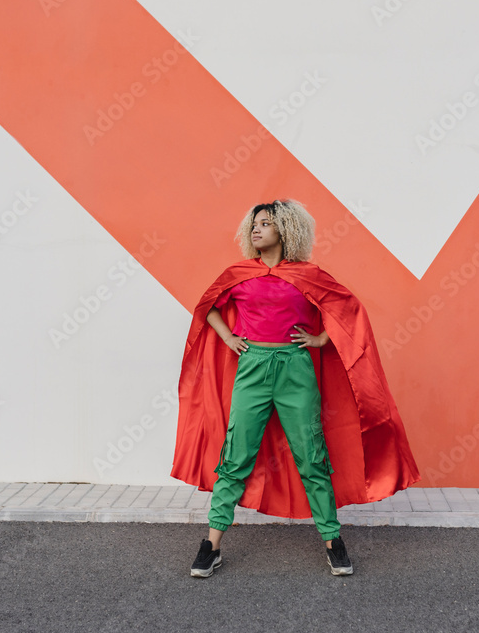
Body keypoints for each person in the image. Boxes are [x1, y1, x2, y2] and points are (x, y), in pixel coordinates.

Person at [171, 199, 420, 578]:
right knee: (236, 456)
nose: (257, 230)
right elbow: (207, 306)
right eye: (254, 224)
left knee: (312, 456)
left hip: (295, 369)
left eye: (266, 224)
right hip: (252, 368)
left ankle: (333, 541)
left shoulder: (308, 274)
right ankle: (212, 545)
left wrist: (321, 339)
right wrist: (228, 337)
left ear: (285, 231)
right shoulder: (238, 273)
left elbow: (349, 310)